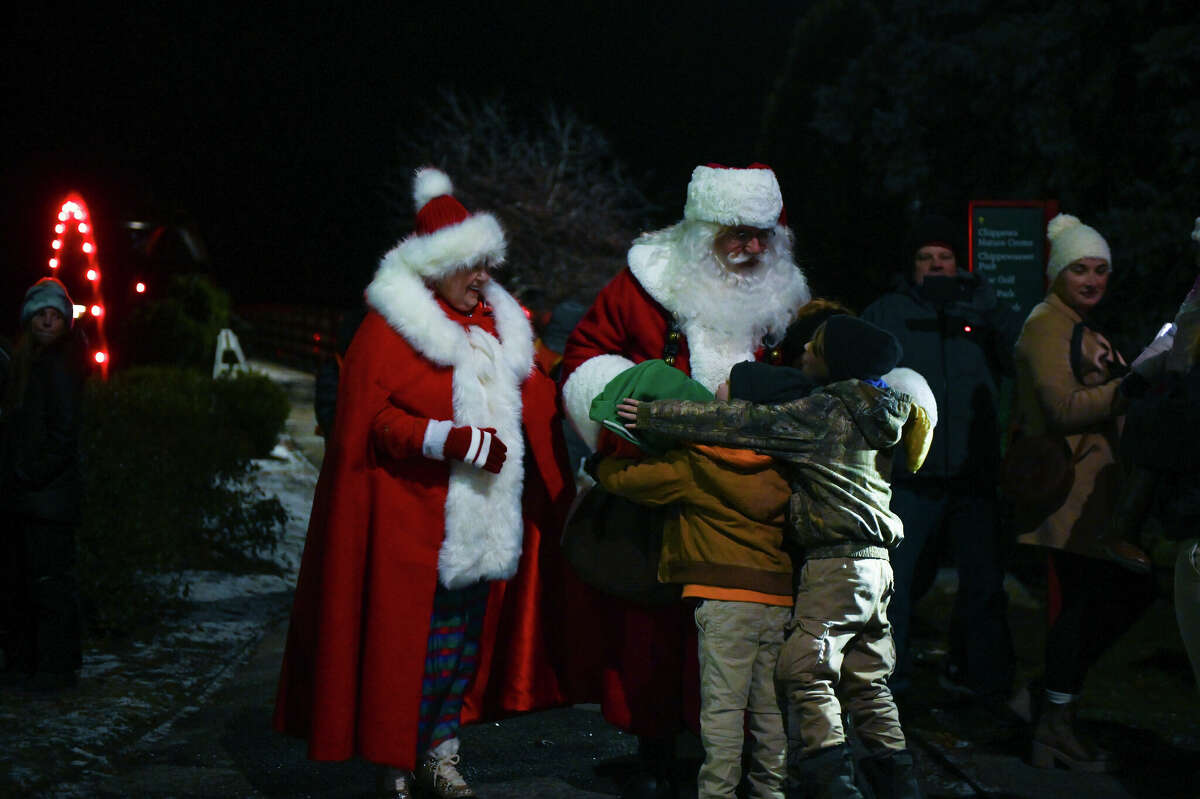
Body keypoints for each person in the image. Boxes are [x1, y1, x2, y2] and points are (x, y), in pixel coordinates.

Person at [273, 168, 574, 799]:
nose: (481, 277)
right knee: (409, 648)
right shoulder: (391, 330)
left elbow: (542, 391)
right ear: (435, 267)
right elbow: (372, 423)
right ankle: (396, 760)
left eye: (486, 265)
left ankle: (441, 752)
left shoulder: (497, 327)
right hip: (413, 521)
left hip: (484, 519)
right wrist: (447, 439)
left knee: (461, 649)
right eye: (470, 266)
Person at [558, 162, 810, 798]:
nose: (752, 247)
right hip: (662, 484)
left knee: (742, 634)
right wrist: (623, 406)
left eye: (763, 234)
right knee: (652, 626)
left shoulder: (786, 293)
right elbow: (586, 356)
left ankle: (725, 757)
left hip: (750, 495)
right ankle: (656, 749)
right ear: (704, 232)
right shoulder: (645, 283)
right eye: (737, 234)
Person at [617, 315, 935, 799]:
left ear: (837, 360)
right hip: (878, 567)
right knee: (868, 680)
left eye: (817, 345)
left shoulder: (825, 411)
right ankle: (901, 785)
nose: (805, 349)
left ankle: (834, 786)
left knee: (805, 671)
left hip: (836, 565)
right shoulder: (881, 411)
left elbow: (740, 423)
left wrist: (654, 415)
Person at [587, 358, 794, 799]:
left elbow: (633, 481)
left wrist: (600, 468)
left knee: (722, 711)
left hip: (722, 600)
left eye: (727, 383)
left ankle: (717, 793)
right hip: (777, 598)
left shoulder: (699, 461)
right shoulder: (784, 463)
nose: (716, 385)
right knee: (768, 710)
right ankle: (770, 790)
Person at [1011, 212, 1155, 772]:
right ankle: (1054, 721)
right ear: (1057, 273)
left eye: (1100, 270)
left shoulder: (1076, 323)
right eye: (1080, 269)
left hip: (1092, 492)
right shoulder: (1048, 324)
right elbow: (1061, 408)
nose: (1093, 280)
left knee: (1105, 596)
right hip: (1067, 491)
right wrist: (1132, 384)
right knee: (1095, 599)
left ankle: (1048, 701)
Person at [860, 214, 1019, 710]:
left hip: (974, 474)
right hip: (910, 476)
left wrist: (992, 309)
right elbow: (859, 377)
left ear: (959, 265)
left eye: (945, 257)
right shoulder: (887, 311)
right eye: (925, 257)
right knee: (897, 583)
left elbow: (1021, 358)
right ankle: (889, 681)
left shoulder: (983, 312)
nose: (935, 265)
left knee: (984, 585)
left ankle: (980, 680)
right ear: (912, 266)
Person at [0, 277, 90, 694]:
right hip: (32, 497)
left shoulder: (59, 364)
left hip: (47, 498)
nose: (48, 321)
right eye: (41, 314)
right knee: (25, 583)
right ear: (29, 319)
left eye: (55, 315)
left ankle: (54, 669)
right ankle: (32, 665)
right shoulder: (29, 362)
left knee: (48, 585)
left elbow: (62, 436)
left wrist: (26, 474)